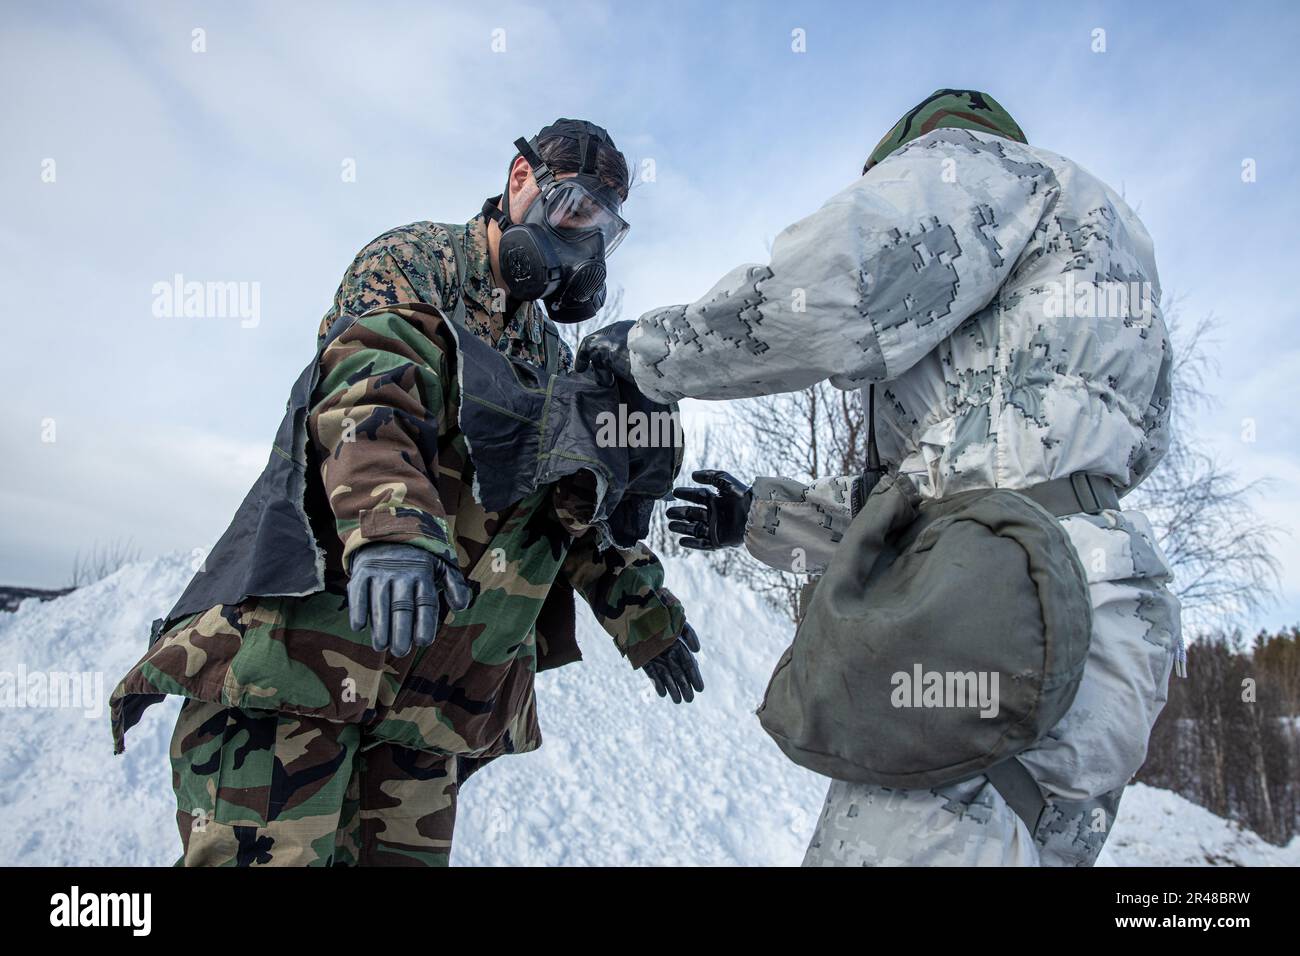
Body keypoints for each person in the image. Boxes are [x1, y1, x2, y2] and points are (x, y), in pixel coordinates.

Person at [577, 91, 1180, 867]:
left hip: (987, 610)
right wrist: (760, 514)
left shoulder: (974, 170)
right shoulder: (1111, 261)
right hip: (1110, 622)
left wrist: (647, 352)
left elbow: (827, 298)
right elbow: (972, 488)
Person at [111, 119, 703, 867]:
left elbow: (570, 506)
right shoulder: (416, 262)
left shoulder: (552, 353)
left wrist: (644, 615)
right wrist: (393, 528)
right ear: (521, 180)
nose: (580, 244)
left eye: (601, 230)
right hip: (303, 659)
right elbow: (370, 391)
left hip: (430, 705)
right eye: (571, 211)